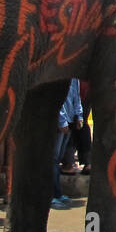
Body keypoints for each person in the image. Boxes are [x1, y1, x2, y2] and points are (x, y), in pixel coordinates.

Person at [51, 79, 83, 210]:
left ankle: (58, 194)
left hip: (69, 121)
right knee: (52, 159)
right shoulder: (59, 79)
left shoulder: (75, 79)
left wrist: (79, 116)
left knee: (57, 159)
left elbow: (77, 97)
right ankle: (51, 195)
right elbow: (57, 101)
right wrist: (62, 121)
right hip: (60, 124)